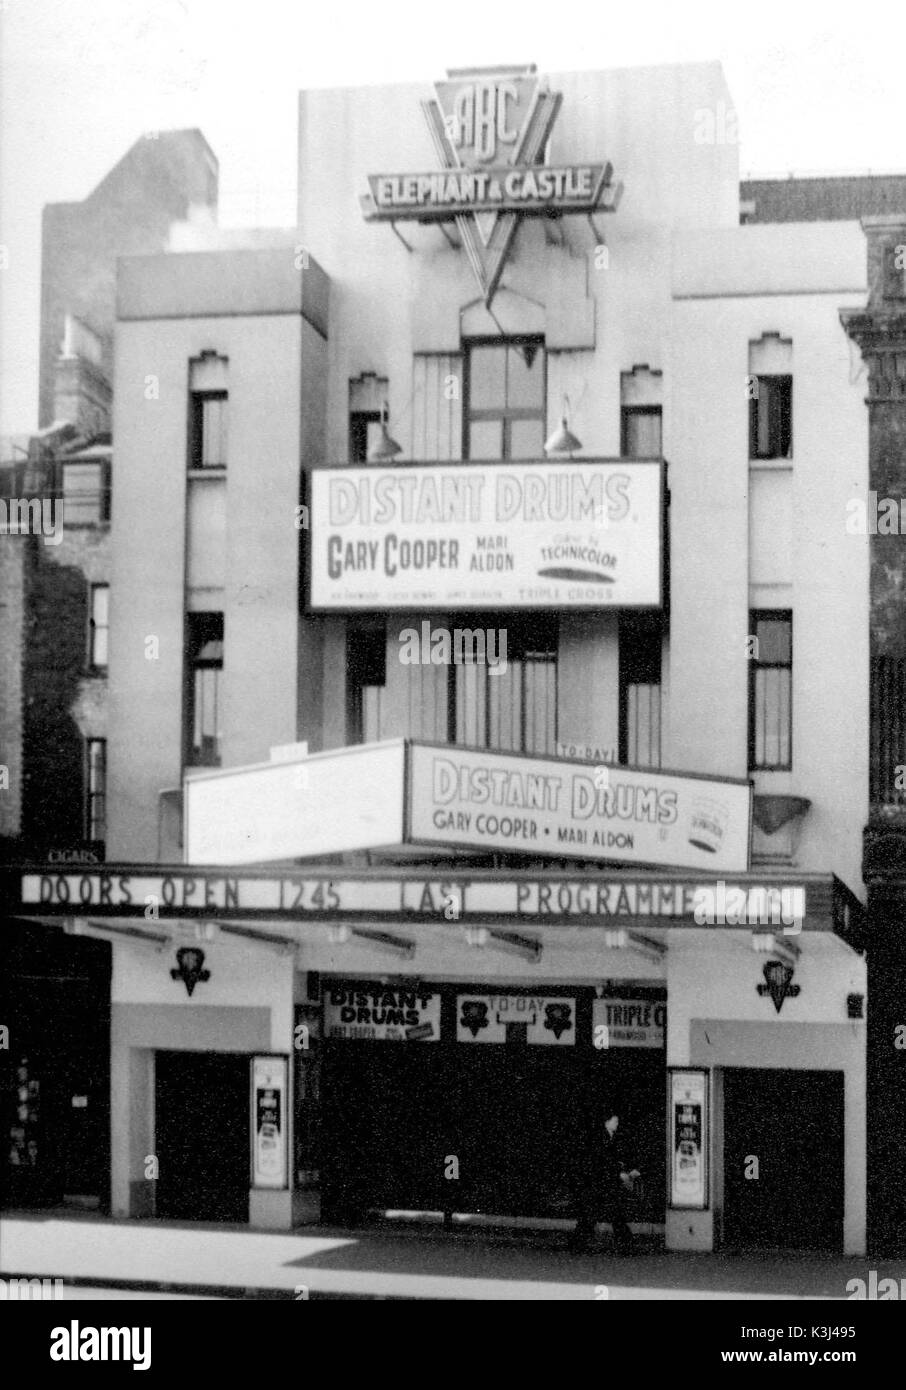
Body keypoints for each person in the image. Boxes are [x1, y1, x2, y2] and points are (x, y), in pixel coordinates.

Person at [570, 1110, 640, 1252]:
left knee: (595, 1215)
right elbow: (603, 1161)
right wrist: (621, 1173)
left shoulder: (609, 1137)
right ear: (606, 1122)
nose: (617, 1124)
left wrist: (623, 1171)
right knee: (610, 1215)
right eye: (615, 1121)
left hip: (603, 1184)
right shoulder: (600, 1138)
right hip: (600, 1184)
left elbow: (611, 1161)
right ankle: (627, 1245)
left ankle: (577, 1244)